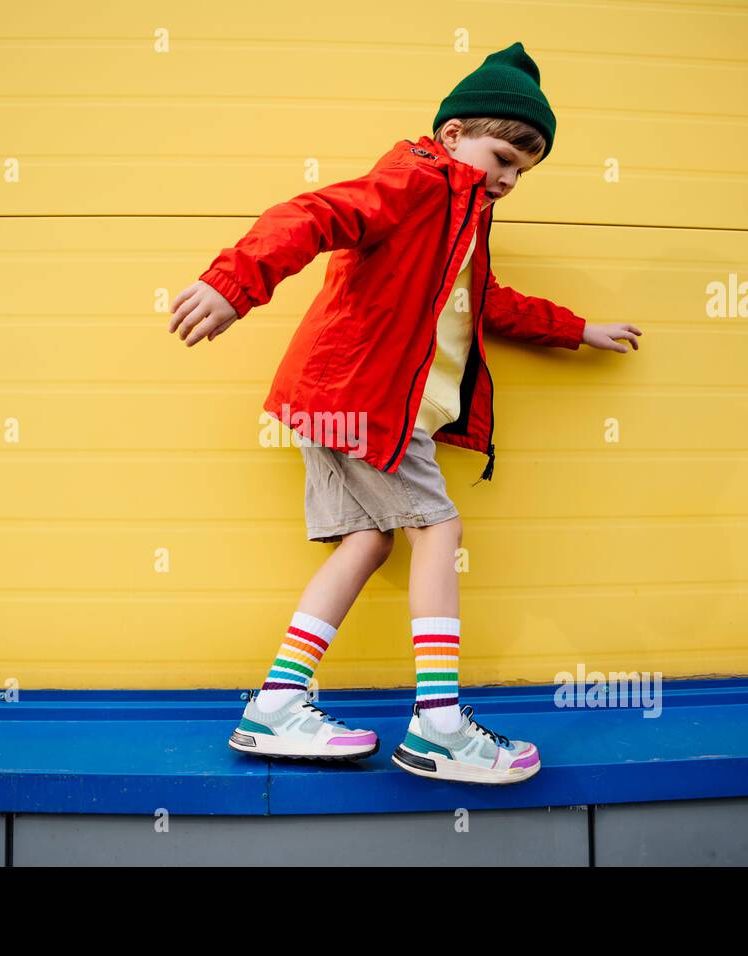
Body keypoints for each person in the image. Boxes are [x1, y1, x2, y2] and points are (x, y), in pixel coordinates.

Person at [168, 42, 641, 784]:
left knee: (364, 542)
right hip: (362, 397)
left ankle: (276, 707)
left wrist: (576, 330)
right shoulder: (419, 181)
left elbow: (485, 302)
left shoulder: (465, 221)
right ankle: (439, 726)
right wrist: (236, 282)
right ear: (453, 136)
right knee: (437, 526)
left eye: (524, 169)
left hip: (334, 399)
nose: (510, 178)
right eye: (503, 156)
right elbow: (317, 213)